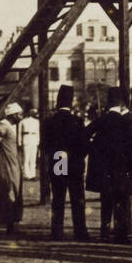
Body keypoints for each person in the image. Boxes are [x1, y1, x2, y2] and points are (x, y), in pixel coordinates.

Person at [85, 86, 132, 243]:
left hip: (104, 168)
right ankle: (121, 234)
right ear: (122, 103)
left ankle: (104, 231)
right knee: (122, 201)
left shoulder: (101, 120)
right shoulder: (128, 122)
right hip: (122, 167)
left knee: (106, 200)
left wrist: (95, 149)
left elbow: (84, 136)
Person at [41, 84, 88, 241]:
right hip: (73, 163)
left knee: (58, 198)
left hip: (58, 161)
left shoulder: (49, 122)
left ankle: (57, 231)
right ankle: (80, 231)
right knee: (77, 198)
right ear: (71, 102)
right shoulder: (77, 121)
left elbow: (45, 145)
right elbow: (83, 146)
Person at [0, 102, 25, 237]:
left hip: (14, 164)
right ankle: (9, 226)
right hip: (7, 165)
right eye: (19, 114)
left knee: (15, 192)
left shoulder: (10, 126)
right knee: (9, 193)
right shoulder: (3, 126)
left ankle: (13, 223)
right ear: (13, 115)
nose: (21, 117)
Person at [19, 106, 40, 181]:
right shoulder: (23, 121)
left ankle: (32, 175)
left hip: (33, 139)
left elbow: (38, 132)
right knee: (26, 158)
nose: (32, 113)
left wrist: (38, 142)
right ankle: (26, 175)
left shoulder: (37, 122)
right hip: (26, 138)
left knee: (33, 158)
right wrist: (19, 142)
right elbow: (19, 133)